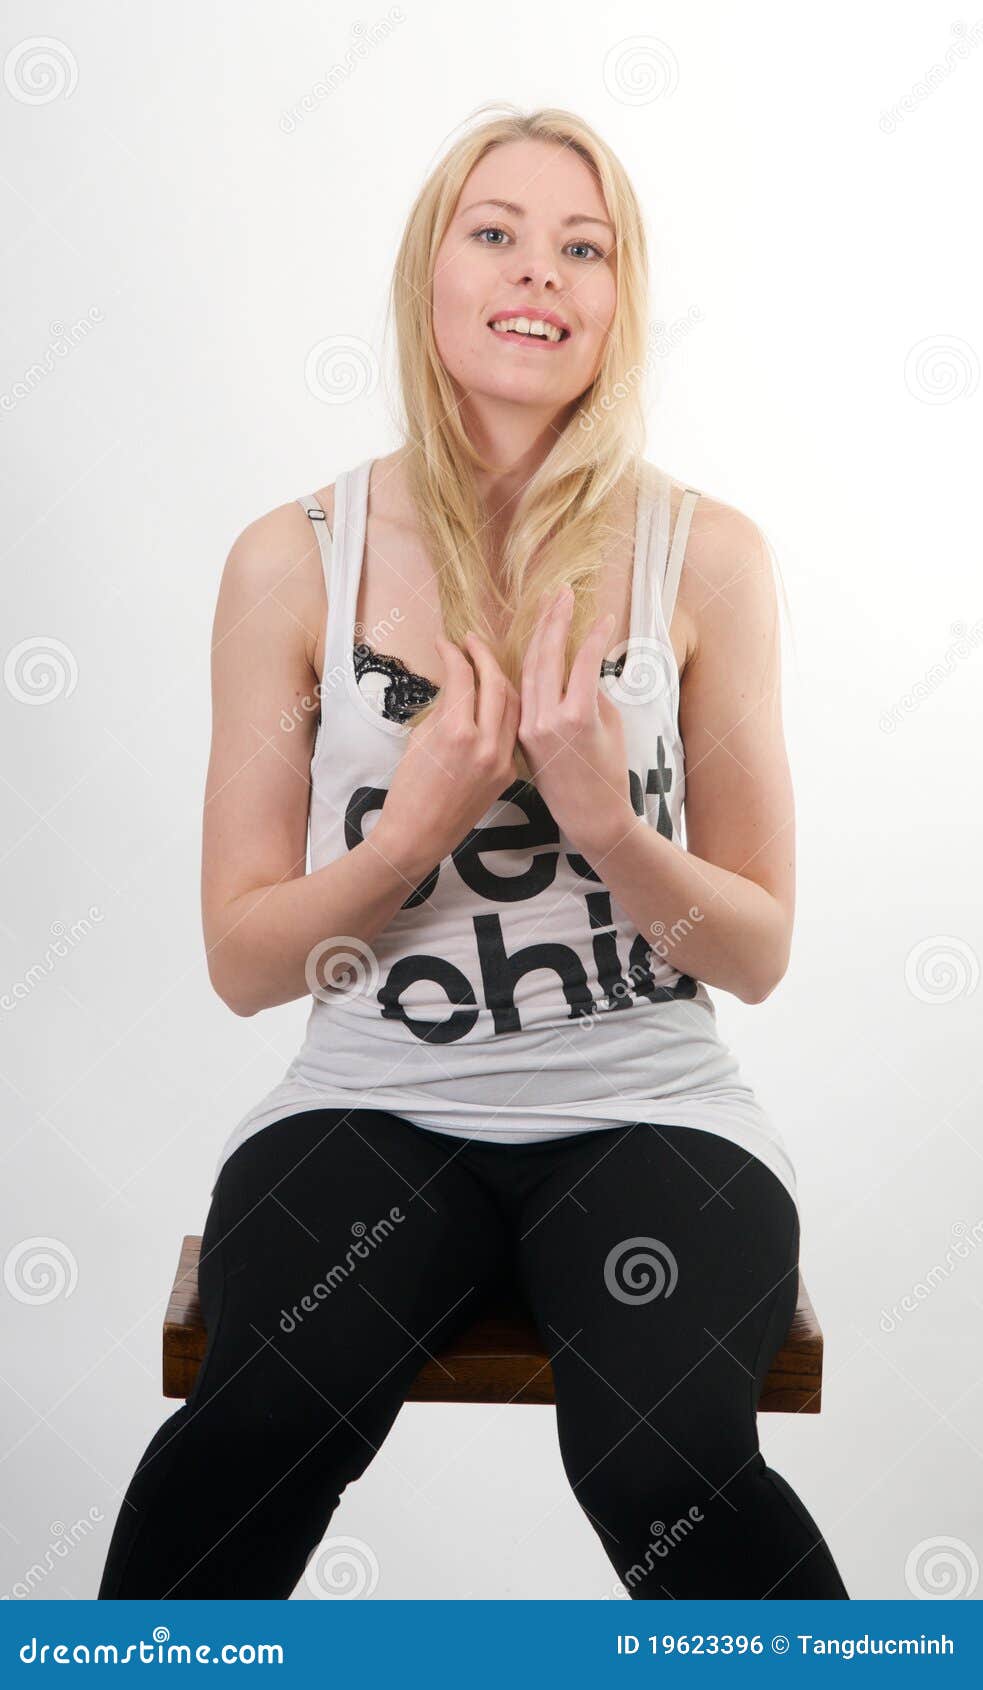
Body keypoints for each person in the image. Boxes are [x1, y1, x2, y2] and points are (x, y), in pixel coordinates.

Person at [97, 104, 849, 1600]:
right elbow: (246, 960)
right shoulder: (290, 555)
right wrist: (415, 832)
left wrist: (609, 827)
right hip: (374, 1100)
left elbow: (757, 949)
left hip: (652, 1112)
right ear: (428, 272)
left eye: (587, 247)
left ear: (620, 300)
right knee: (259, 1420)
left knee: (657, 1462)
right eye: (495, 231)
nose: (539, 273)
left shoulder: (703, 555)